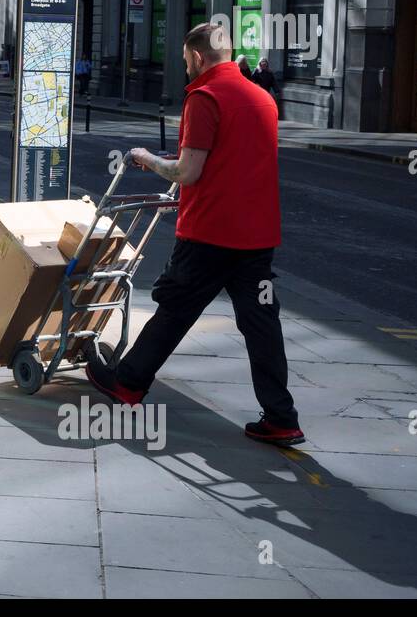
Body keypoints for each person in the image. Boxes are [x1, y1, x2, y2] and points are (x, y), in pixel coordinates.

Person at [84, 22, 304, 447]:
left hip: (209, 234)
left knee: (175, 309)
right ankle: (281, 417)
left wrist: (148, 159)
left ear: (199, 57)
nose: (187, 69)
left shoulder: (205, 97)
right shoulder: (263, 98)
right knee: (261, 323)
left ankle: (127, 382)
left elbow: (188, 171)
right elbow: (228, 156)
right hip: (256, 237)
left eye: (186, 61)